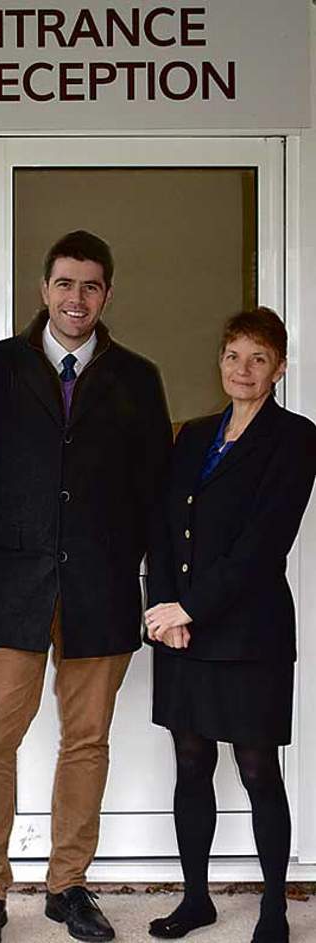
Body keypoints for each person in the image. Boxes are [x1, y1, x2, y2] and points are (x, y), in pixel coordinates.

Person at [0, 230, 172, 943]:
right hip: (10, 587)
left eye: (90, 285)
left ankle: (67, 884)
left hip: (100, 589)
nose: (76, 297)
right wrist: (15, 545)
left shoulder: (138, 377)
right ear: (44, 289)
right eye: (64, 283)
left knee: (87, 741)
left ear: (107, 294)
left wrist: (118, 557)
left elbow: (153, 487)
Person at [144, 307, 316, 943]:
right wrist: (165, 612)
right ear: (220, 361)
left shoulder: (296, 438)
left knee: (256, 768)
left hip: (249, 635)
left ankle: (275, 909)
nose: (243, 370)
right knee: (190, 762)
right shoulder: (190, 436)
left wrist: (190, 608)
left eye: (259, 359)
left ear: (279, 369)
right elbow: (160, 528)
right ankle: (197, 900)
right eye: (233, 356)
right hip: (182, 631)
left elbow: (264, 543)